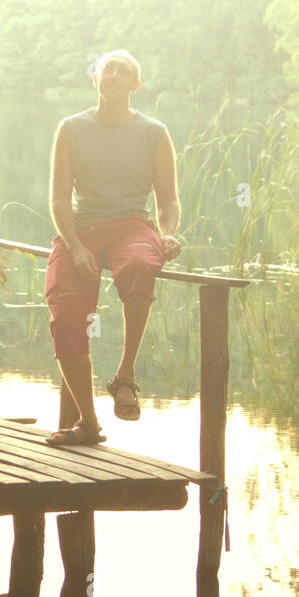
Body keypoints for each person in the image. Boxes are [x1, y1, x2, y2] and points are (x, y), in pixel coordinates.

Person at [44, 50, 182, 447]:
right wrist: (74, 245)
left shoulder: (153, 132)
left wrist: (167, 232)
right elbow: (58, 199)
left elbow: (168, 199)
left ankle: (125, 376)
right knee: (65, 312)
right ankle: (88, 423)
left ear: (135, 86)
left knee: (141, 262)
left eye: (125, 72)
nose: (115, 75)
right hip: (83, 228)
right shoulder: (71, 128)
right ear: (96, 79)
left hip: (132, 227)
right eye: (109, 69)